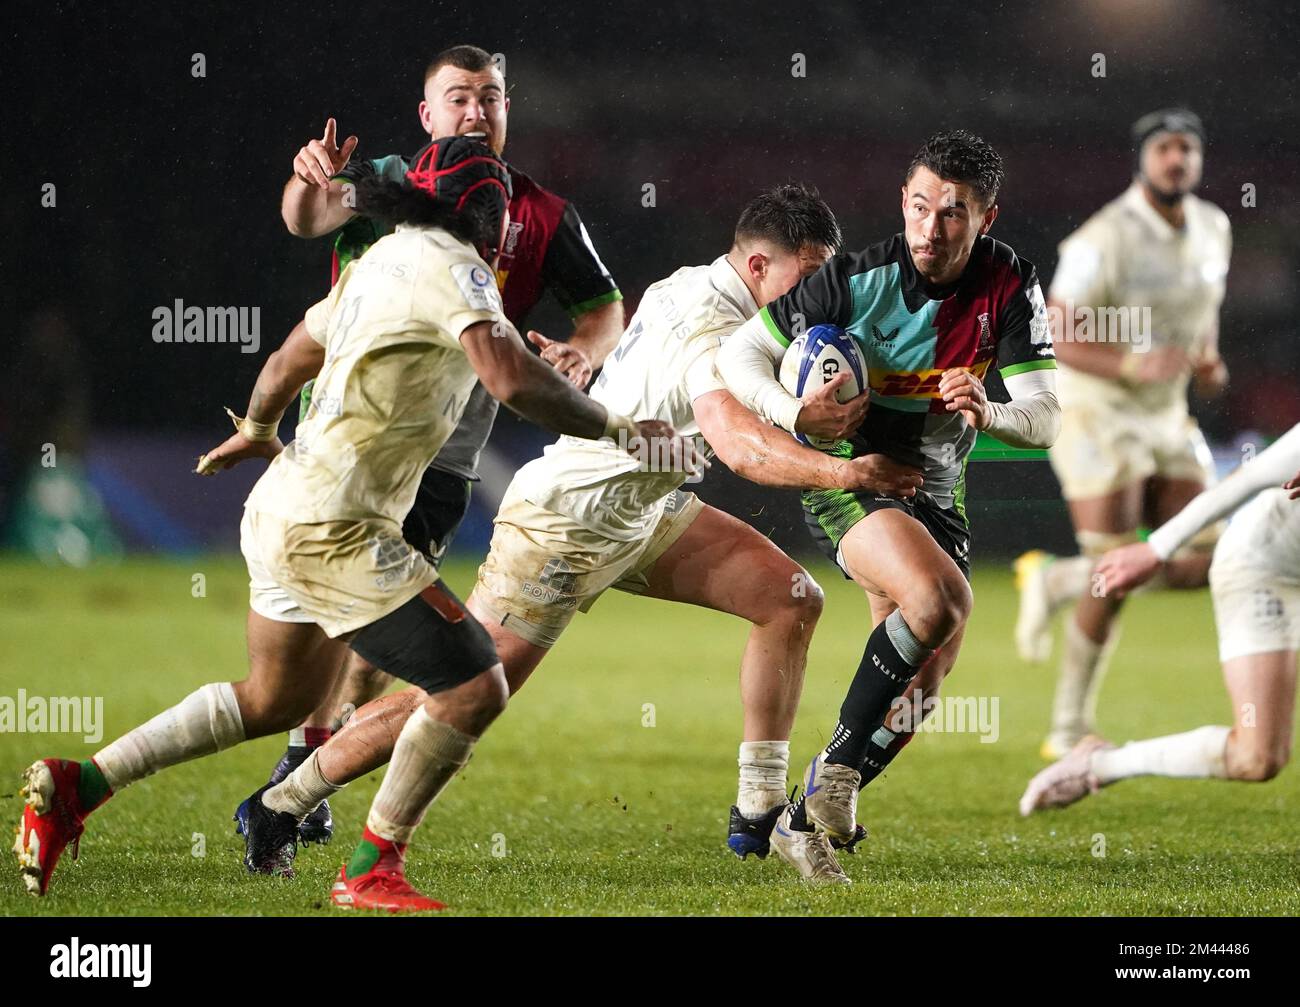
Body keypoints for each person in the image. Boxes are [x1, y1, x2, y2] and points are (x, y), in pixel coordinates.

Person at [14, 136, 679, 912]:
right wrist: (622, 428)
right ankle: (371, 868)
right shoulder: (457, 264)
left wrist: (261, 428)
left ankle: (78, 783)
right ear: (488, 215)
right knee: (474, 683)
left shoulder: (381, 258)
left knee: (271, 698)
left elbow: (286, 360)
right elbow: (507, 376)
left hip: (283, 504)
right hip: (338, 530)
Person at [238, 184, 924, 879]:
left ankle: (759, 809)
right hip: (563, 527)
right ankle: (282, 799)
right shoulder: (713, 334)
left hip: (639, 512)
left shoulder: (689, 283)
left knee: (791, 598)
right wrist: (845, 473)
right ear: (755, 268)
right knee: (453, 696)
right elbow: (741, 448)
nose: (817, 296)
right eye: (806, 277)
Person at [241, 43, 626, 844]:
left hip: (448, 450)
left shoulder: (543, 213)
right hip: (350, 431)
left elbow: (603, 306)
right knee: (332, 618)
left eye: (491, 97)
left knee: (385, 614)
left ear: (508, 108)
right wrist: (309, 179)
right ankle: (296, 752)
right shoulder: (390, 179)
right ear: (427, 115)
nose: (476, 112)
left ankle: (303, 760)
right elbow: (303, 219)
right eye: (459, 98)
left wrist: (585, 350)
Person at [716, 130, 1060, 882]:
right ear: (903, 202)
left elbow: (1047, 418)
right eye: (920, 207)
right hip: (853, 476)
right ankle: (831, 782)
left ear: (986, 218)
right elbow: (737, 352)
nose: (931, 229)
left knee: (920, 691)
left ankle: (801, 821)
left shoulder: (1010, 286)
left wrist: (991, 411)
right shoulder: (851, 278)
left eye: (954, 214)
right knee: (940, 599)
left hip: (936, 491)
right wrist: (793, 413)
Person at [1012, 109, 1232, 760]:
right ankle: (1067, 727)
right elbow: (1054, 329)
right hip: (1096, 408)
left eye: (1187, 149)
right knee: (1114, 575)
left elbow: (1204, 313)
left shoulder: (1215, 227)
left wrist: (1209, 361)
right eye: (1165, 148)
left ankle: (1057, 581)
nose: (1177, 160)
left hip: (1166, 414)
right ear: (1142, 160)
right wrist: (1129, 362)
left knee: (1214, 560)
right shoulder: (1103, 237)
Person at [1020, 424, 1300, 813]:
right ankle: (1101, 763)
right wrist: (1155, 549)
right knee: (1256, 758)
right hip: (1265, 571)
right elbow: (1248, 478)